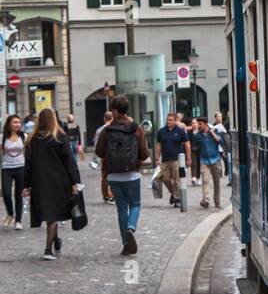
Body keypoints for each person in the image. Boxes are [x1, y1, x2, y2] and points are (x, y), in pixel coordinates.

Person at [22, 108, 82, 260]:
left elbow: (27, 165)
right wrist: (74, 181)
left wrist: (26, 185)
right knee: (53, 214)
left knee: (51, 213)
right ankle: (48, 250)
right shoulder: (59, 136)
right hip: (58, 180)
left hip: (39, 181)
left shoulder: (32, 139)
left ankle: (55, 241)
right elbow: (69, 161)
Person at [95, 94, 149, 255]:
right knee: (136, 204)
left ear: (115, 111)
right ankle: (131, 228)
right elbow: (145, 153)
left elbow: (99, 152)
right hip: (132, 174)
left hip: (113, 175)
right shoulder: (136, 128)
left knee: (121, 208)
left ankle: (126, 243)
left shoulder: (107, 130)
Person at [153, 112, 191, 206]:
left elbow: (187, 144)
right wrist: (157, 158)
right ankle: (174, 194)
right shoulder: (161, 131)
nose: (168, 121)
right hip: (165, 159)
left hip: (177, 160)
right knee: (165, 179)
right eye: (168, 120)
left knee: (177, 180)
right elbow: (158, 145)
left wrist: (188, 158)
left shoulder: (180, 131)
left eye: (171, 120)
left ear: (175, 121)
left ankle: (177, 199)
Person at [190, 118, 226, 209]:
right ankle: (206, 200)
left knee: (216, 182)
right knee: (205, 181)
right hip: (204, 160)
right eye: (198, 124)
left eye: (201, 124)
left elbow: (220, 141)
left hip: (215, 159)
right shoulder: (197, 136)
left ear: (206, 124)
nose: (199, 126)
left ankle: (217, 202)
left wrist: (212, 132)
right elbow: (194, 148)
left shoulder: (215, 131)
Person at [2, 114, 26, 228]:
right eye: (15, 122)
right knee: (6, 193)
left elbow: (28, 153)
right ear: (9, 124)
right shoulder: (3, 137)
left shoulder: (23, 136)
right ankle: (10, 214)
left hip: (21, 167)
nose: (18, 124)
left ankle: (18, 221)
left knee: (19, 195)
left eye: (19, 122)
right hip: (6, 168)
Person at [212, 111, 231, 182]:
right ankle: (219, 173)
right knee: (217, 161)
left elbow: (228, 135)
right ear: (215, 118)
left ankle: (227, 171)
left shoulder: (225, 125)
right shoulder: (213, 126)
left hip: (224, 146)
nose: (220, 118)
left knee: (226, 160)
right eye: (218, 116)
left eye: (221, 116)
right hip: (217, 146)